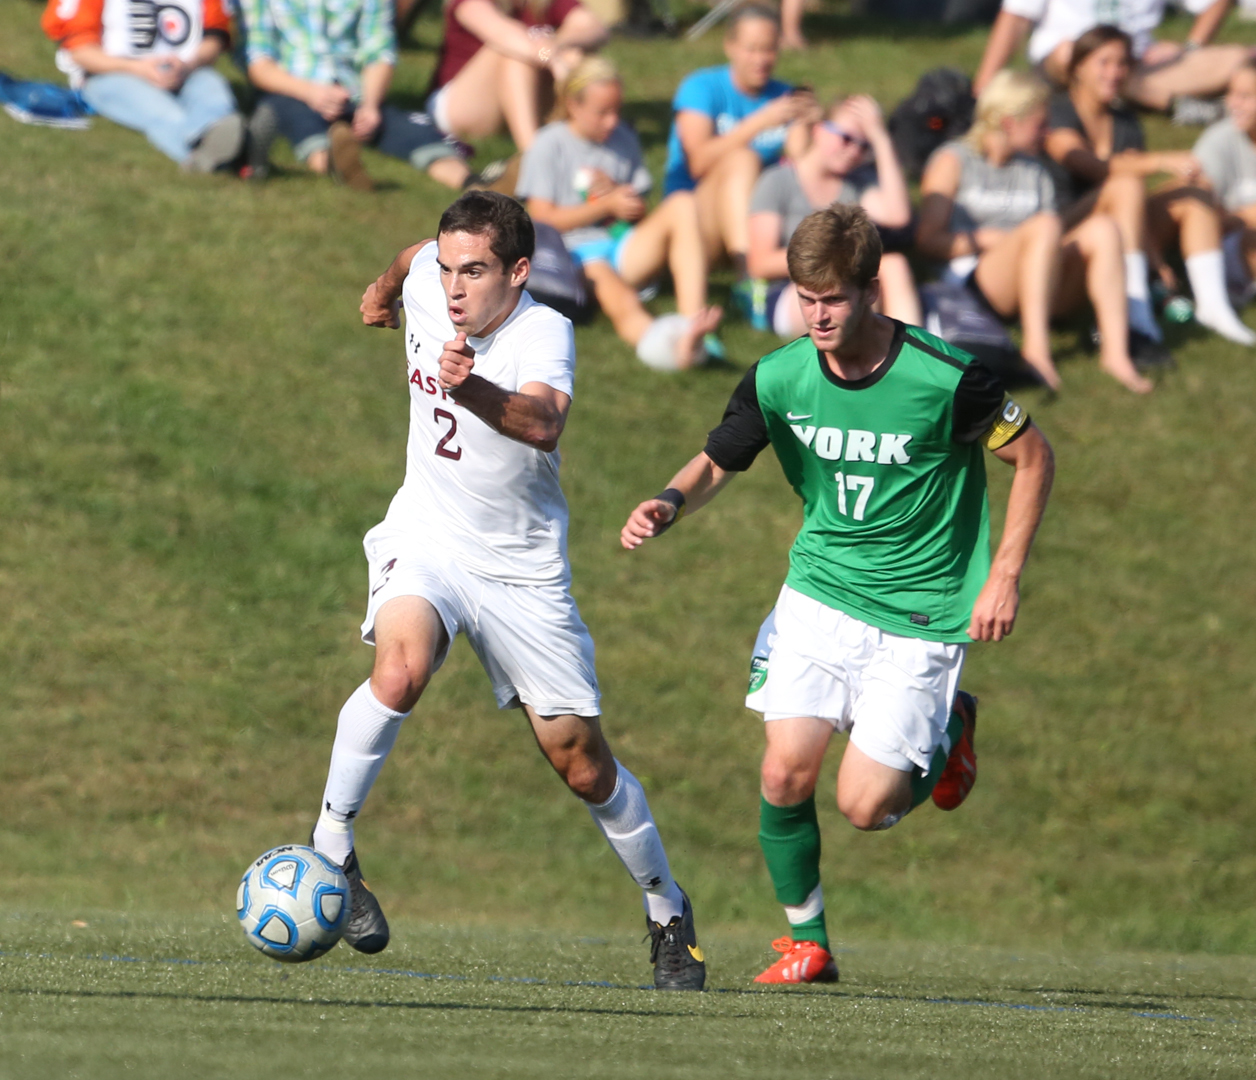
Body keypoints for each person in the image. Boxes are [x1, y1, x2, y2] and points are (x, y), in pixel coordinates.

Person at [621, 203, 1056, 984]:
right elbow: (721, 457)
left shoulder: (946, 378)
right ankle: (806, 941)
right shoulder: (780, 375)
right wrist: (670, 500)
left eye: (833, 298)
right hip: (819, 596)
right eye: (804, 296)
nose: (817, 314)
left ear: (871, 291)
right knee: (784, 772)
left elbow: (1034, 458)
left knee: (864, 806)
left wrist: (1005, 574)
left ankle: (953, 729)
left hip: (920, 613)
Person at [321, 191, 706, 990]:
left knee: (582, 764)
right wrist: (384, 288)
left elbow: (543, 423)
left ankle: (667, 909)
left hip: (521, 570)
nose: (453, 286)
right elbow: (408, 260)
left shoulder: (544, 331)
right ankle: (334, 854)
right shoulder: (429, 275)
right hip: (426, 533)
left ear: (518, 272)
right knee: (401, 670)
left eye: (476, 271)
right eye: (447, 266)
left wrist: (471, 391)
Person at [918, 70, 1157, 393]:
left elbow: (1051, 236)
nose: (1046, 133)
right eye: (1039, 124)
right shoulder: (954, 160)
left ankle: (1115, 353)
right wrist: (985, 239)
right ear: (1008, 122)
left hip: (1037, 275)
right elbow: (926, 240)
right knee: (1044, 225)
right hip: (977, 279)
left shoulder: (1036, 170)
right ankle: (1036, 349)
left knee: (1103, 229)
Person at [1044, 25, 1255, 343]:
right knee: (1125, 184)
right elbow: (1088, 166)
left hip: (1123, 229)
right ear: (1078, 66)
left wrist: (1155, 258)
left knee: (1192, 193)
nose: (1115, 72)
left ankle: (1213, 307)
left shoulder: (1126, 122)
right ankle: (1137, 309)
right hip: (1069, 233)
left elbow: (1134, 205)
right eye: (1105, 62)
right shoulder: (1057, 112)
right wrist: (1159, 161)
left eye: (1123, 63)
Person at [518, 59, 723, 370]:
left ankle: (692, 325)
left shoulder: (624, 139)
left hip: (621, 242)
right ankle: (664, 349)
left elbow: (637, 214)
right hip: (575, 255)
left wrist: (626, 202)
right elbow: (542, 218)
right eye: (602, 113)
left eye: (617, 111)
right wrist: (604, 205)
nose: (612, 121)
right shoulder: (549, 143)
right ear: (573, 105)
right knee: (621, 298)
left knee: (683, 203)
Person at [242, 0, 471, 190]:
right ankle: (335, 164)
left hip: (353, 92)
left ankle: (474, 183)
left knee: (411, 131)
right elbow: (260, 64)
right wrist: (311, 92)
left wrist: (370, 104)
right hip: (291, 90)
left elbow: (380, 52)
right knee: (301, 124)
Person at [745, 94, 921, 335]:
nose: (854, 150)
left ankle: (913, 356)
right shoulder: (778, 180)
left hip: (843, 289)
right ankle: (882, 359)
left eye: (864, 145)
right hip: (790, 293)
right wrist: (832, 256)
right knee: (857, 280)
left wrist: (880, 139)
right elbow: (759, 263)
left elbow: (898, 216)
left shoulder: (855, 186)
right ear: (819, 130)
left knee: (894, 264)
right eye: (846, 138)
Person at [661, 4, 817, 265]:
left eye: (768, 49)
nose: (761, 59)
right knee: (743, 160)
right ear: (730, 46)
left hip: (760, 218)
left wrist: (812, 127)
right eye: (751, 49)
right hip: (696, 224)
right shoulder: (701, 88)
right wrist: (759, 122)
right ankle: (748, 271)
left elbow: (800, 168)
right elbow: (697, 163)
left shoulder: (785, 96)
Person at [42, 0, 245, 172]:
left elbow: (215, 37)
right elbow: (80, 51)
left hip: (186, 70)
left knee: (212, 88)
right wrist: (137, 68)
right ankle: (210, 154)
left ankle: (221, 140)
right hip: (112, 74)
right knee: (164, 114)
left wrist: (188, 65)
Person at [974, 0, 1254, 116]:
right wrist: (983, 88)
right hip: (1069, 63)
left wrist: (1191, 48)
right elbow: (1014, 18)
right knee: (1071, 53)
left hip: (1140, 66)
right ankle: (1179, 107)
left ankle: (1131, 94)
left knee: (1243, 59)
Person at [425, 0, 610, 152]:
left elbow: (593, 27)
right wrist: (551, 58)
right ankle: (533, 153)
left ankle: (589, 139)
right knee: (514, 56)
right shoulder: (469, 3)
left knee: (573, 53)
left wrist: (558, 44)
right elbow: (506, 36)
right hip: (457, 104)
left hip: (518, 94)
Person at [1192, 60, 1256, 289]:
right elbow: (1200, 214)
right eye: (1231, 94)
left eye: (1245, 96)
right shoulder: (1217, 142)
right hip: (1230, 245)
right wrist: (1246, 216)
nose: (1233, 103)